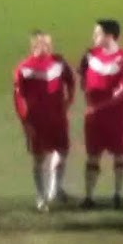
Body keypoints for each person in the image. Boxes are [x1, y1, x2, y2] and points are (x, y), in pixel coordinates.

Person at [12, 30, 76, 212]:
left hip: (57, 118)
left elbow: (71, 82)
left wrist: (68, 102)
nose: (49, 47)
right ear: (34, 46)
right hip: (36, 120)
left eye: (49, 43)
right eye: (44, 44)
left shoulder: (59, 63)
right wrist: (25, 120)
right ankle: (41, 197)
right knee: (39, 159)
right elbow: (18, 98)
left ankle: (54, 189)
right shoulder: (24, 68)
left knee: (62, 151)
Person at [78, 19, 123, 209]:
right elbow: (83, 79)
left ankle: (117, 195)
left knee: (120, 155)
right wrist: (90, 100)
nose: (93, 37)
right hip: (94, 117)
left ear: (109, 36)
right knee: (92, 156)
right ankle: (89, 197)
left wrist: (99, 105)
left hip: (117, 117)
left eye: (97, 33)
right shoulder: (89, 56)